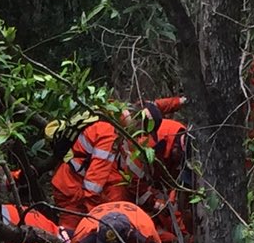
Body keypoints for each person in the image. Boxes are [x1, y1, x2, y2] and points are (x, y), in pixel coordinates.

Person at [47, 97, 186, 233]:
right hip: (71, 189)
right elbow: (93, 186)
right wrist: (98, 219)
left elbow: (155, 106)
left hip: (71, 182)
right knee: (71, 235)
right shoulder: (109, 136)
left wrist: (180, 101)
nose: (138, 137)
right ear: (138, 123)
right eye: (142, 132)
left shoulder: (113, 113)